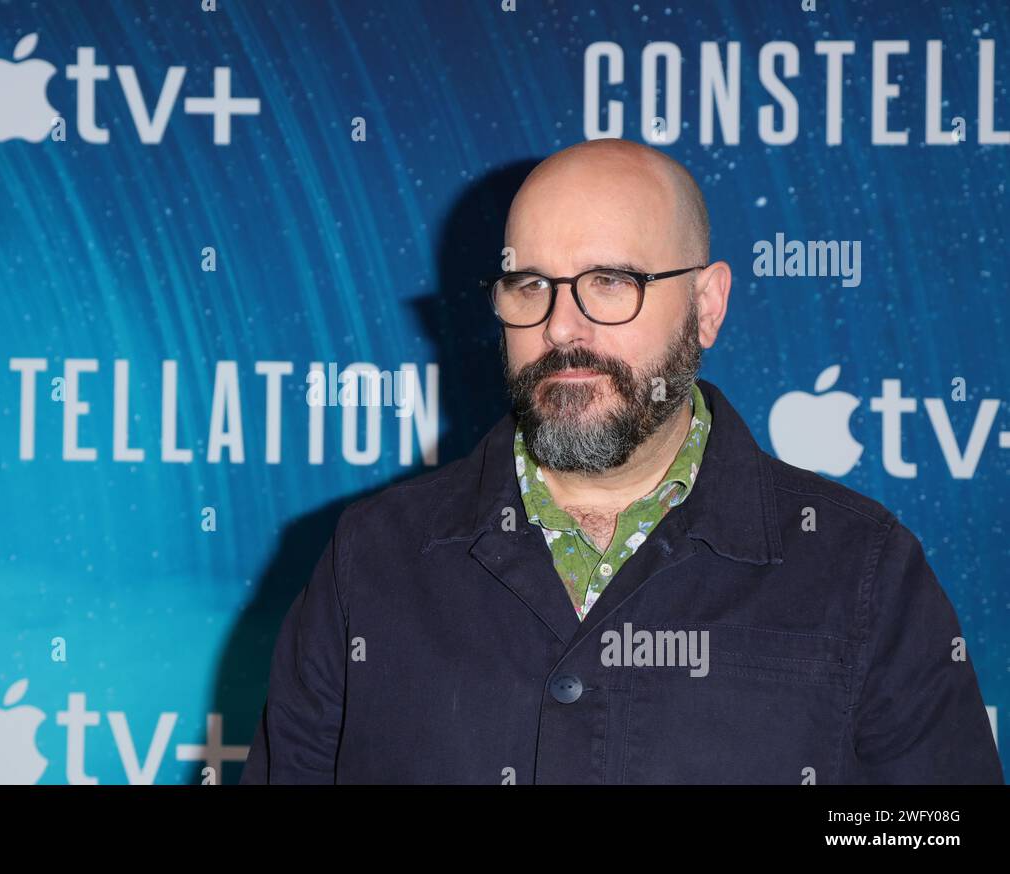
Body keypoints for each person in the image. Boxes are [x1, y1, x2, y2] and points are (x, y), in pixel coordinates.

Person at [240, 139, 1003, 784]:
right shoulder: (371, 561)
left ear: (707, 305)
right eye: (529, 283)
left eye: (611, 282)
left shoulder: (860, 566)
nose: (561, 326)